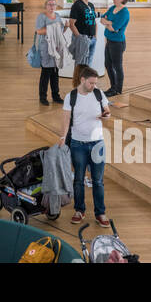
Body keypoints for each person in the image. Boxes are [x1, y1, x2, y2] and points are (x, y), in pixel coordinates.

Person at [59, 67, 111, 227]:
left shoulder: (98, 94)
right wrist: (62, 137)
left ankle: (100, 213)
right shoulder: (71, 97)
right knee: (79, 179)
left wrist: (106, 115)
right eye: (91, 83)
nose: (94, 86)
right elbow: (66, 119)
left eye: (95, 83)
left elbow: (107, 111)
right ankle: (79, 210)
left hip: (98, 143)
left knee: (98, 181)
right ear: (82, 80)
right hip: (78, 144)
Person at [35, 0, 67, 105]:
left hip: (56, 48)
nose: (52, 7)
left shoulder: (57, 16)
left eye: (54, 4)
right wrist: (52, 28)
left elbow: (60, 32)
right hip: (46, 48)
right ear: (46, 6)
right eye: (49, 4)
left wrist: (65, 27)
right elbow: (38, 31)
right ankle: (43, 97)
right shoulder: (41, 17)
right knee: (46, 73)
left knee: (55, 73)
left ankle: (56, 95)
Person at [100, 0, 129, 97]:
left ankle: (118, 89)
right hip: (109, 41)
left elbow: (114, 28)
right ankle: (113, 87)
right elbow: (102, 19)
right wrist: (109, 23)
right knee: (107, 64)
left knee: (117, 66)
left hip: (117, 43)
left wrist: (109, 23)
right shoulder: (112, 8)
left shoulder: (124, 13)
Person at [67, 0, 97, 82]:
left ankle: (87, 84)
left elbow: (94, 21)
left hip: (92, 39)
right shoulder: (77, 5)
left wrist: (95, 36)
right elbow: (72, 24)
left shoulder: (91, 5)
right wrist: (80, 37)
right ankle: (78, 85)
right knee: (80, 64)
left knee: (89, 64)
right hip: (83, 39)